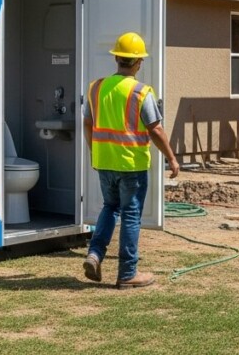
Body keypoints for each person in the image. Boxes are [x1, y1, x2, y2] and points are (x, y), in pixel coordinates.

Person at [82, 32, 180, 289]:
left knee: (109, 207)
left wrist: (95, 150)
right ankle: (127, 273)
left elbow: (88, 122)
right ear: (138, 63)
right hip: (131, 165)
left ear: (116, 58)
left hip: (104, 161)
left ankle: (94, 254)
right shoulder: (141, 92)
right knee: (130, 214)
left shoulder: (96, 87)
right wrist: (171, 158)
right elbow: (155, 130)